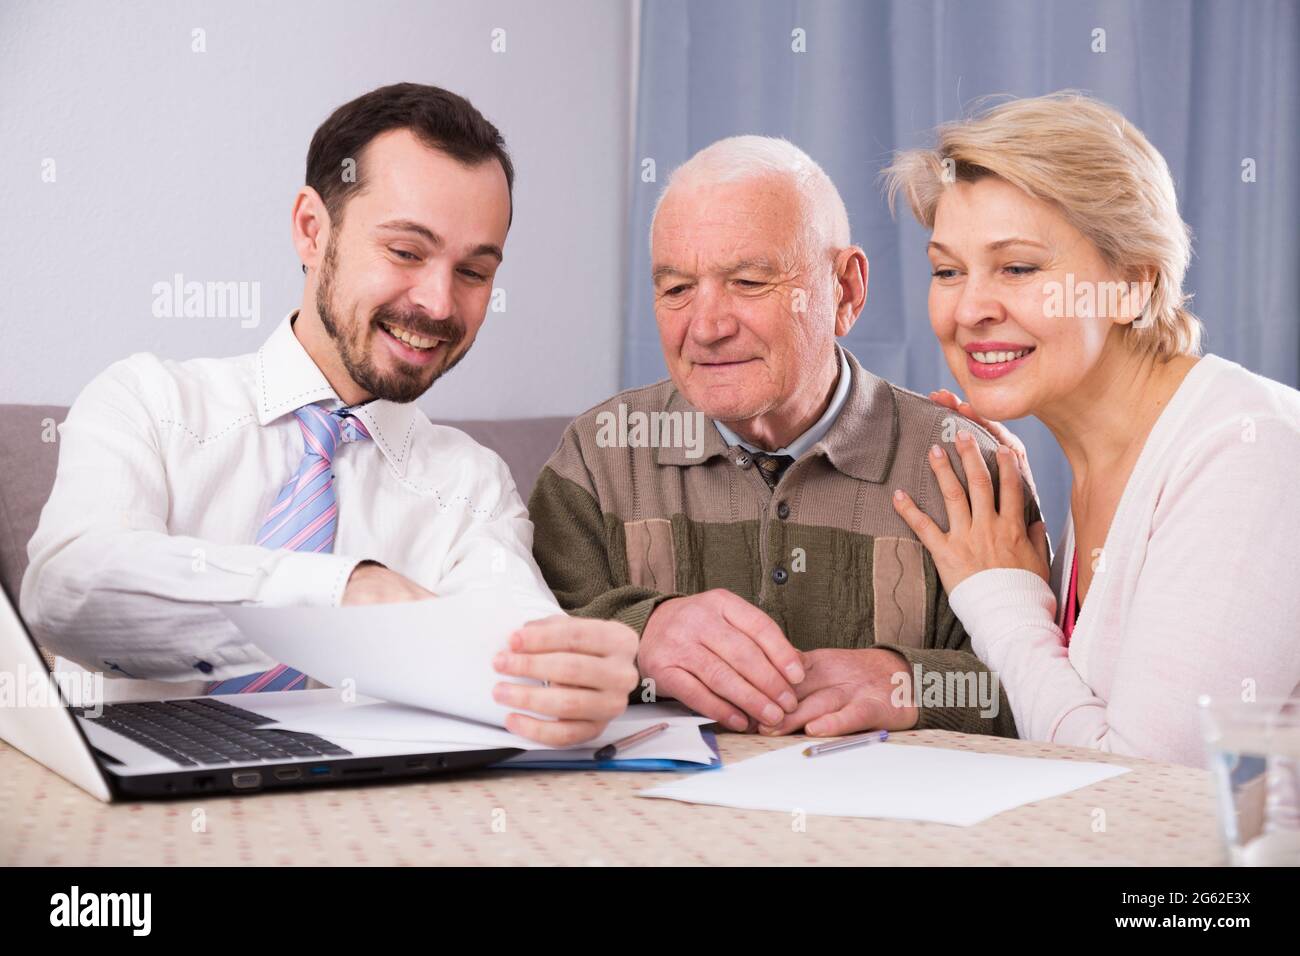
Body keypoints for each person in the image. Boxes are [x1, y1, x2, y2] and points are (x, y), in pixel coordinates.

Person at [21, 83, 638, 747]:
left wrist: (567, 681)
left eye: (474, 271)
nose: (437, 302)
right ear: (313, 230)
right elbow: (67, 588)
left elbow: (519, 650)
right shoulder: (148, 402)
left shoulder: (472, 484)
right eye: (406, 252)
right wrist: (344, 595)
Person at [529, 136, 1040, 739]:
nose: (708, 327)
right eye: (676, 289)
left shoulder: (963, 470)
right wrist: (643, 633)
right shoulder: (596, 458)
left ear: (845, 290)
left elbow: (1038, 692)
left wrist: (906, 682)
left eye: (748, 281)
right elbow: (524, 654)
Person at [883, 91, 1300, 765]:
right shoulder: (1100, 459)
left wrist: (1000, 595)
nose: (971, 308)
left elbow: (1142, 785)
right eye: (947, 271)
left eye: (1018, 267)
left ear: (1133, 283)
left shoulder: (1249, 453)